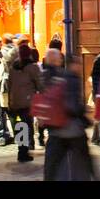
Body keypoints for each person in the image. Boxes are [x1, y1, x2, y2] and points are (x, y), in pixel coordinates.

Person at [42, 51, 94, 181]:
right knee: (83, 158)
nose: (80, 66)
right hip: (71, 128)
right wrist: (84, 116)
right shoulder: (71, 78)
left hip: (56, 127)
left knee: (53, 161)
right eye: (78, 64)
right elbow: (72, 105)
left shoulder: (48, 76)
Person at [6, 43, 42, 162]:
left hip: (15, 102)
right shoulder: (32, 67)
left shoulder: (13, 67)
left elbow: (9, 84)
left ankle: (21, 150)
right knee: (27, 126)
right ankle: (24, 151)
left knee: (20, 126)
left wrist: (10, 102)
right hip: (27, 102)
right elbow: (40, 84)